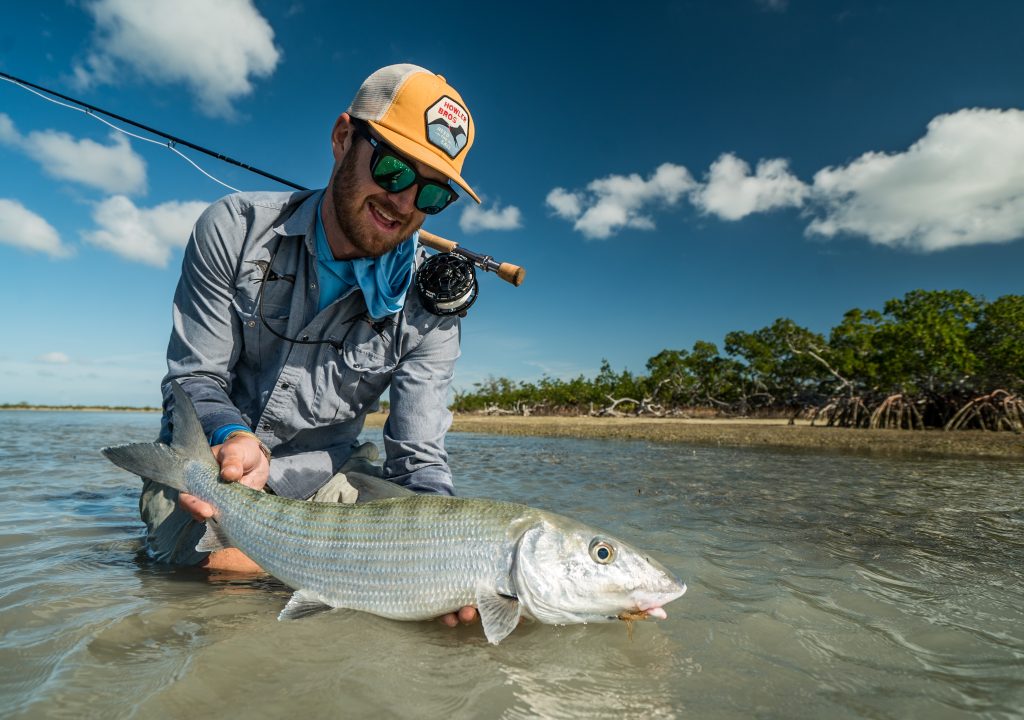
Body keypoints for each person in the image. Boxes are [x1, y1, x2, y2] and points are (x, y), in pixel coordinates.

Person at [140, 64, 481, 627]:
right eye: (394, 169)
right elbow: (193, 377)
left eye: (433, 192)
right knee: (222, 574)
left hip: (326, 483)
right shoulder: (233, 228)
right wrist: (231, 437)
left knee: (424, 605)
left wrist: (445, 557)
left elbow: (418, 459)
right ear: (344, 138)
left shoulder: (431, 307)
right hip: (213, 469)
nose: (404, 202)